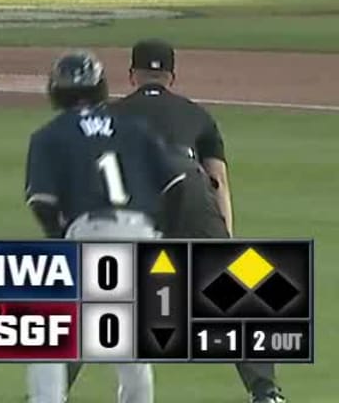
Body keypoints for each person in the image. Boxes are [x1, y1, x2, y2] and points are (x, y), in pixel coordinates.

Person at [86, 40, 286, 403]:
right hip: (188, 185)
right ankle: (266, 392)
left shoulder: (107, 114)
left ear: (132, 75)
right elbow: (219, 181)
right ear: (171, 78)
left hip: (134, 189)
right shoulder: (197, 114)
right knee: (244, 286)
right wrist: (225, 245)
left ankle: (49, 394)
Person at [23, 50, 187, 403]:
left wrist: (60, 240)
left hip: (92, 233)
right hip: (143, 234)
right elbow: (176, 185)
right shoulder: (133, 127)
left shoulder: (49, 136)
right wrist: (163, 235)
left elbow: (42, 202)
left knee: (46, 332)